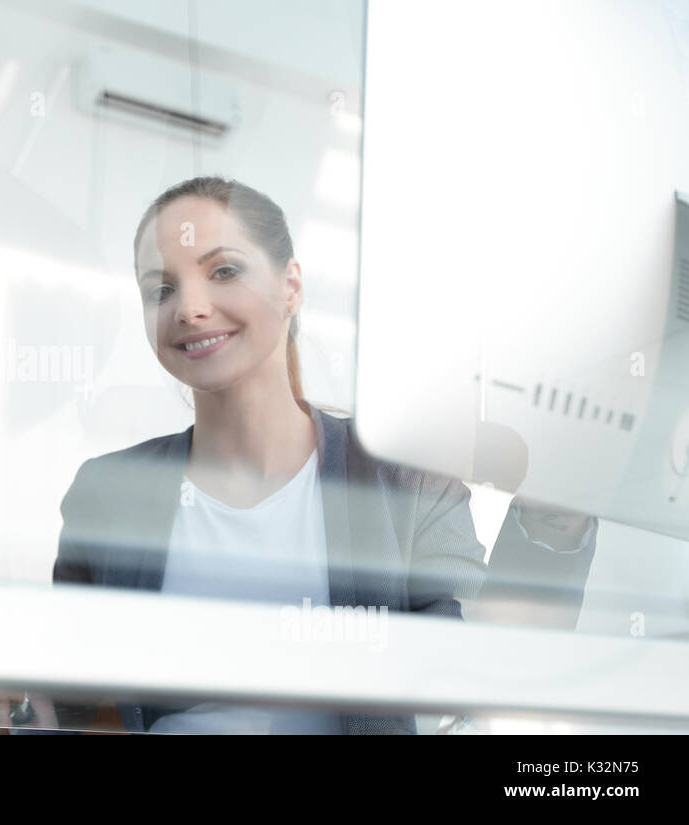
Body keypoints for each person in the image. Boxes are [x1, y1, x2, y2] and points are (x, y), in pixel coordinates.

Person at [47, 176, 597, 734]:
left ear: (291, 286)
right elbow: (63, 707)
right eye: (160, 289)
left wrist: (558, 509)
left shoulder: (399, 475)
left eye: (224, 271)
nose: (189, 308)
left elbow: (482, 666)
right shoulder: (108, 489)